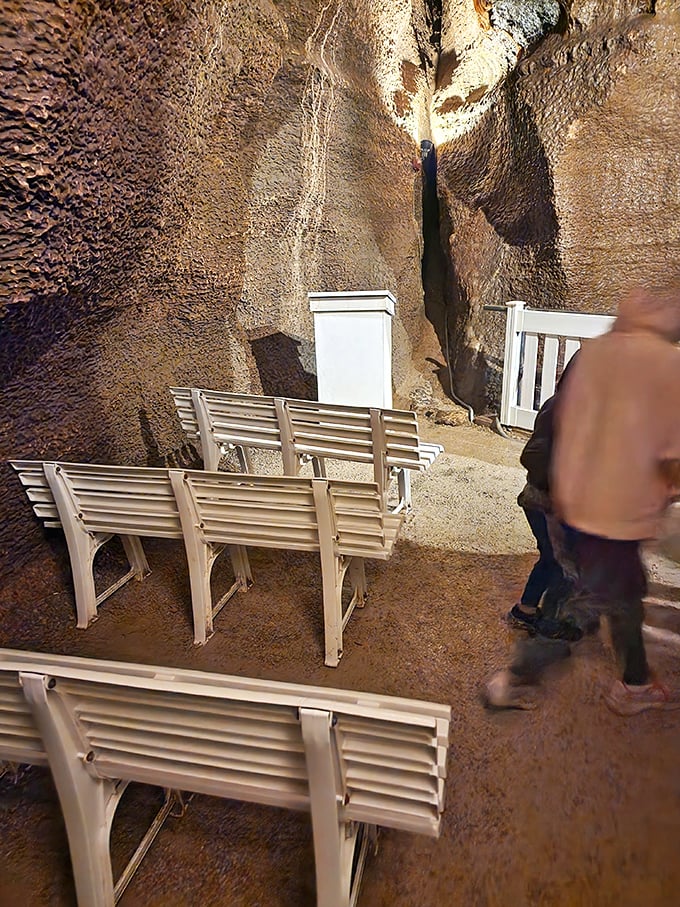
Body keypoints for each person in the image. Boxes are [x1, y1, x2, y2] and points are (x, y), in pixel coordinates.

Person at [551, 284, 680, 715]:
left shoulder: (598, 352)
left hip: (579, 502)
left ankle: (632, 678)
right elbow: (671, 457)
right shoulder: (667, 363)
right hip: (621, 512)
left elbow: (563, 425)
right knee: (603, 598)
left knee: (616, 591)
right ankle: (527, 668)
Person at [507, 356, 582, 642]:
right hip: (550, 503)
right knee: (562, 562)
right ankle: (546, 621)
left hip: (540, 499)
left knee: (553, 558)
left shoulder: (558, 402)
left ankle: (526, 611)